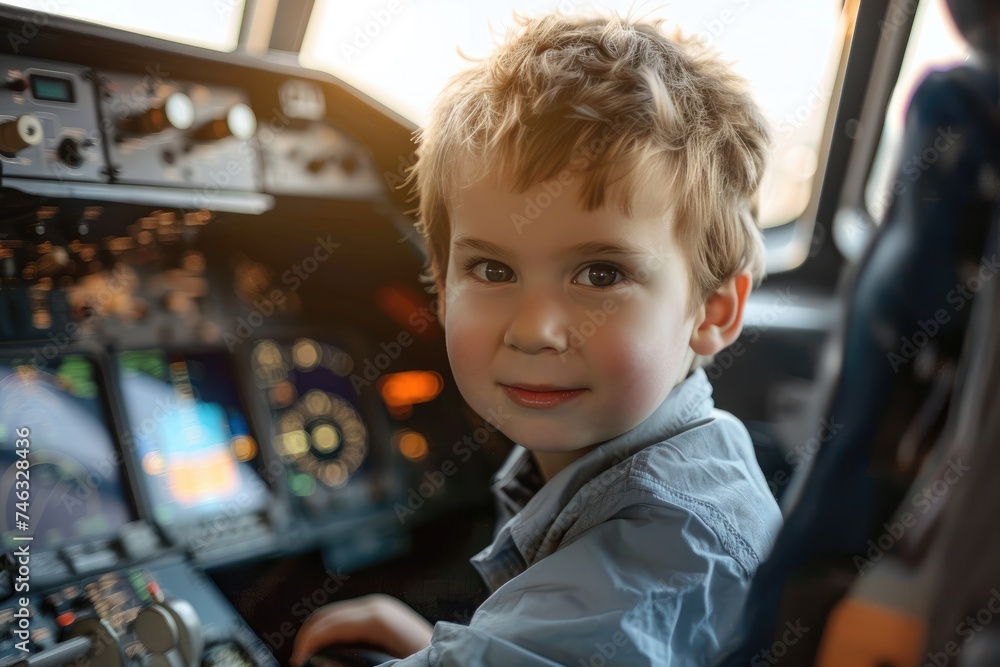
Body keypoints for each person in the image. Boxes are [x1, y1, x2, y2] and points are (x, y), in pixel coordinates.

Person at [292, 11, 782, 666]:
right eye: (493, 269)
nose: (535, 329)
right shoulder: (689, 461)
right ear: (441, 287)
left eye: (600, 273)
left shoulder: (666, 553)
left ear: (714, 310)